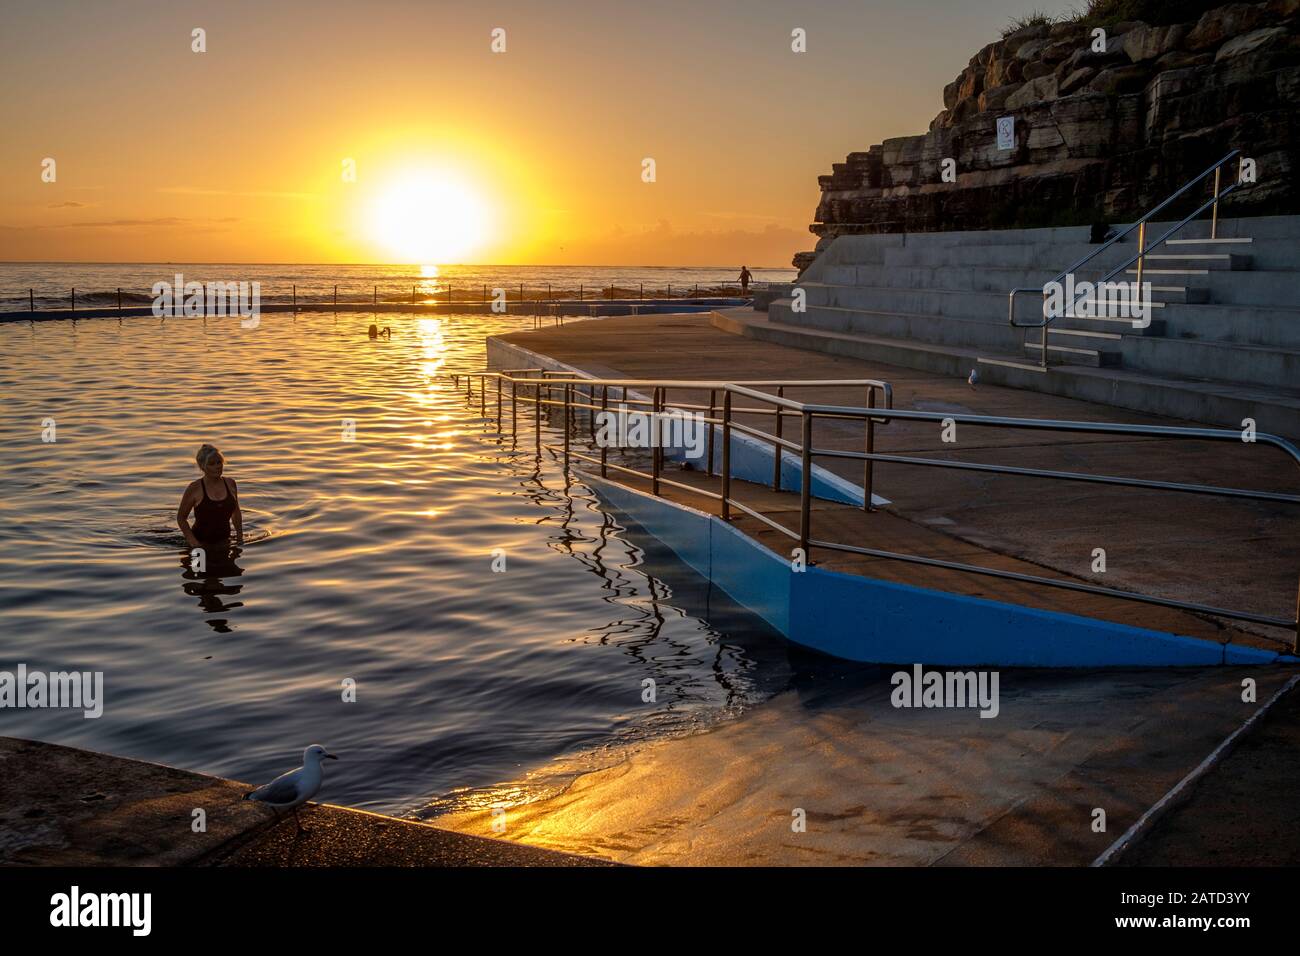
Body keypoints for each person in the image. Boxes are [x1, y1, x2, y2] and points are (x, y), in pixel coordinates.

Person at [178, 444, 243, 549]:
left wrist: (240, 537)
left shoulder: (230, 483)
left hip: (225, 542)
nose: (217, 466)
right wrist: (193, 543)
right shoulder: (195, 488)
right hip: (200, 543)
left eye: (219, 462)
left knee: (229, 566)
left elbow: (236, 513)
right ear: (202, 466)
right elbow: (181, 518)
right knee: (198, 566)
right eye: (212, 464)